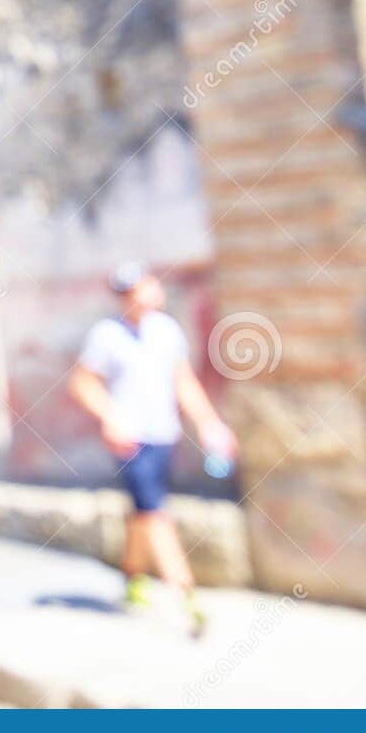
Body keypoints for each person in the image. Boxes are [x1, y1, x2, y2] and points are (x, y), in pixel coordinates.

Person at [67, 262, 235, 636]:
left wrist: (209, 424)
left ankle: (132, 579)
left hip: (164, 435)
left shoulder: (166, 331)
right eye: (127, 292)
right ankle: (186, 594)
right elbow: (82, 383)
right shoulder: (107, 335)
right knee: (156, 512)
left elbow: (184, 383)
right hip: (131, 439)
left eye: (140, 288)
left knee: (143, 513)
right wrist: (110, 416)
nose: (137, 297)